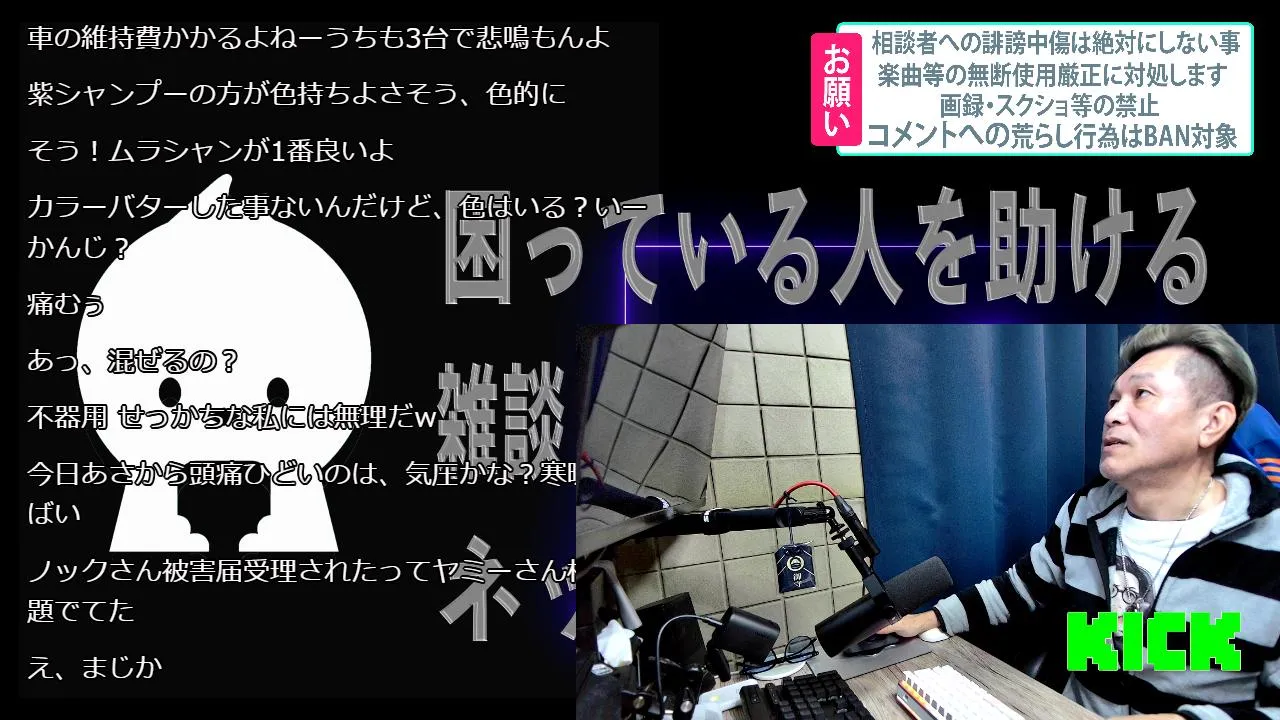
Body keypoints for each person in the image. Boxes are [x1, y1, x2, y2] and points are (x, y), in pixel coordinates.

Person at [879, 325, 1279, 720]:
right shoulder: (1086, 512)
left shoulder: (1271, 541)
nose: (1113, 415)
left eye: (1142, 394)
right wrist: (928, 619)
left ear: (1211, 422)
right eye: (1113, 400)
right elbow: (1017, 589)